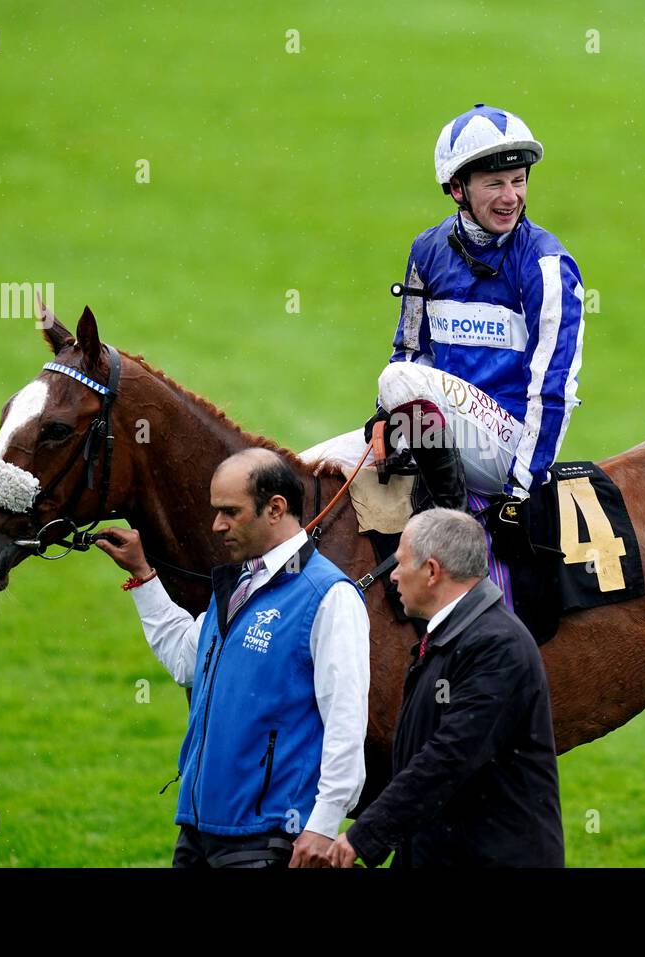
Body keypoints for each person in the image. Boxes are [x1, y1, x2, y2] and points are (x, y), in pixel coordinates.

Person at [96, 447, 370, 868]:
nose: (216, 525)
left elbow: (347, 720)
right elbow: (186, 660)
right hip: (198, 832)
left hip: (268, 839)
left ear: (275, 508)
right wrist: (143, 575)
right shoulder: (238, 586)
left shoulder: (328, 596)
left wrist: (323, 824)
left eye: (230, 512)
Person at [368, 103, 586, 512]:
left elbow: (553, 390)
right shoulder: (426, 249)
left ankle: (453, 521)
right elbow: (414, 351)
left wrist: (521, 489)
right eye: (494, 184)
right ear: (456, 188)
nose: (511, 197)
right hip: (441, 432)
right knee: (319, 461)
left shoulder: (546, 265)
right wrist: (388, 417)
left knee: (396, 379)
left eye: (518, 180)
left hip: (508, 449)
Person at [327, 508, 563, 868]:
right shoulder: (451, 637)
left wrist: (365, 835)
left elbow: (450, 756)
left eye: (400, 563)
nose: (392, 577)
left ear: (432, 571)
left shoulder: (497, 645)